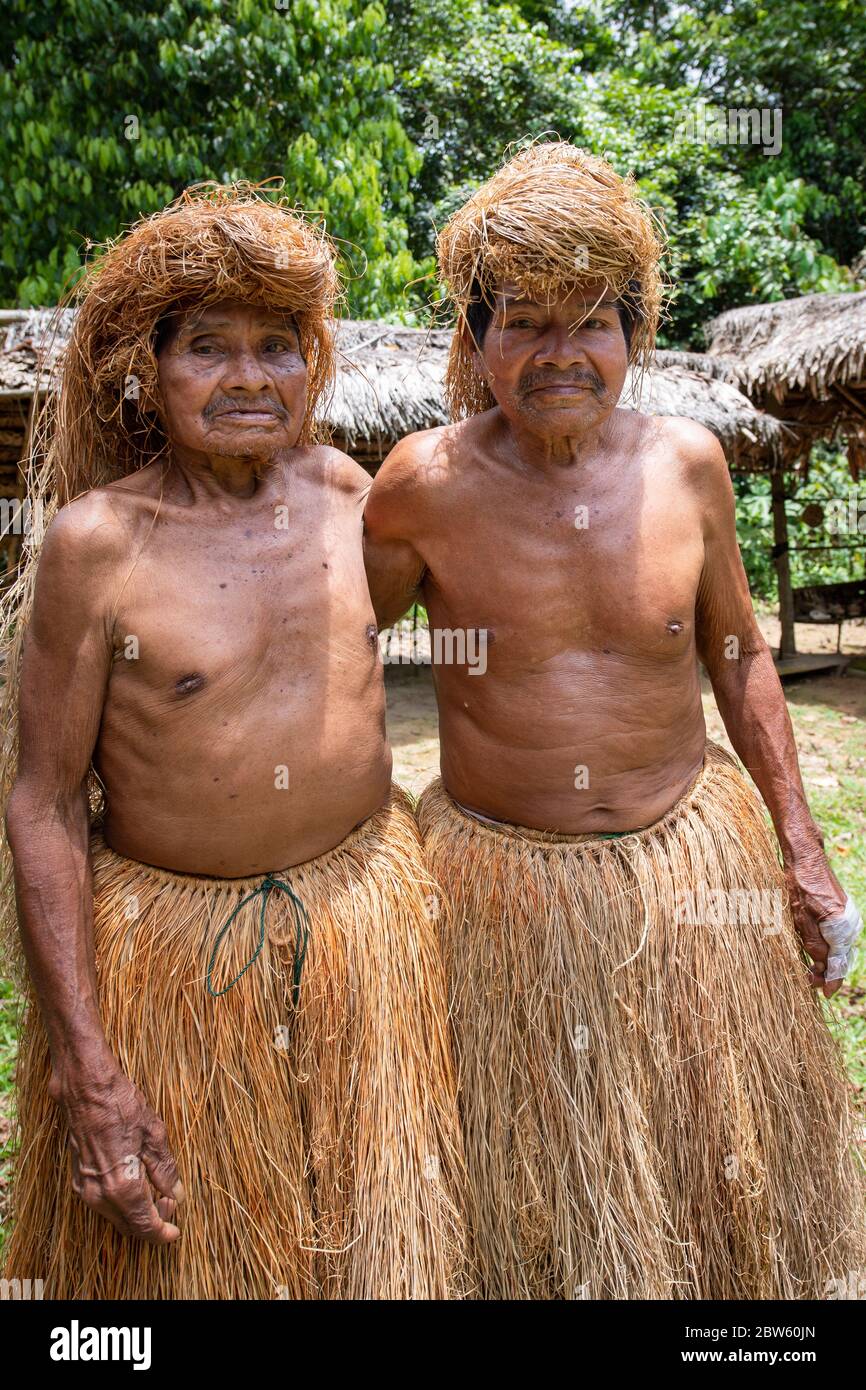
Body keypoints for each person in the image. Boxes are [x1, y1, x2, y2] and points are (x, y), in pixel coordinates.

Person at [364, 141, 865, 1299]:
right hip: (500, 888)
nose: (557, 354)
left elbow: (735, 652)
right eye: (522, 323)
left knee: (710, 1170)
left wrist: (799, 848)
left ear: (634, 336)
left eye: (589, 322)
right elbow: (336, 659)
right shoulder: (418, 484)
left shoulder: (687, 467)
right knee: (525, 1194)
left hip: (691, 867)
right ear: (474, 339)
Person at [1, 186, 468, 1300]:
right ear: (144, 373)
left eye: (276, 348)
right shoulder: (96, 544)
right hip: (171, 954)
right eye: (208, 348)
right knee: (188, 1271)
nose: (249, 378)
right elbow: (44, 801)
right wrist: (87, 1067)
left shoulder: (348, 497)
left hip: (366, 924)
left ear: (311, 367)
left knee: (374, 1249)